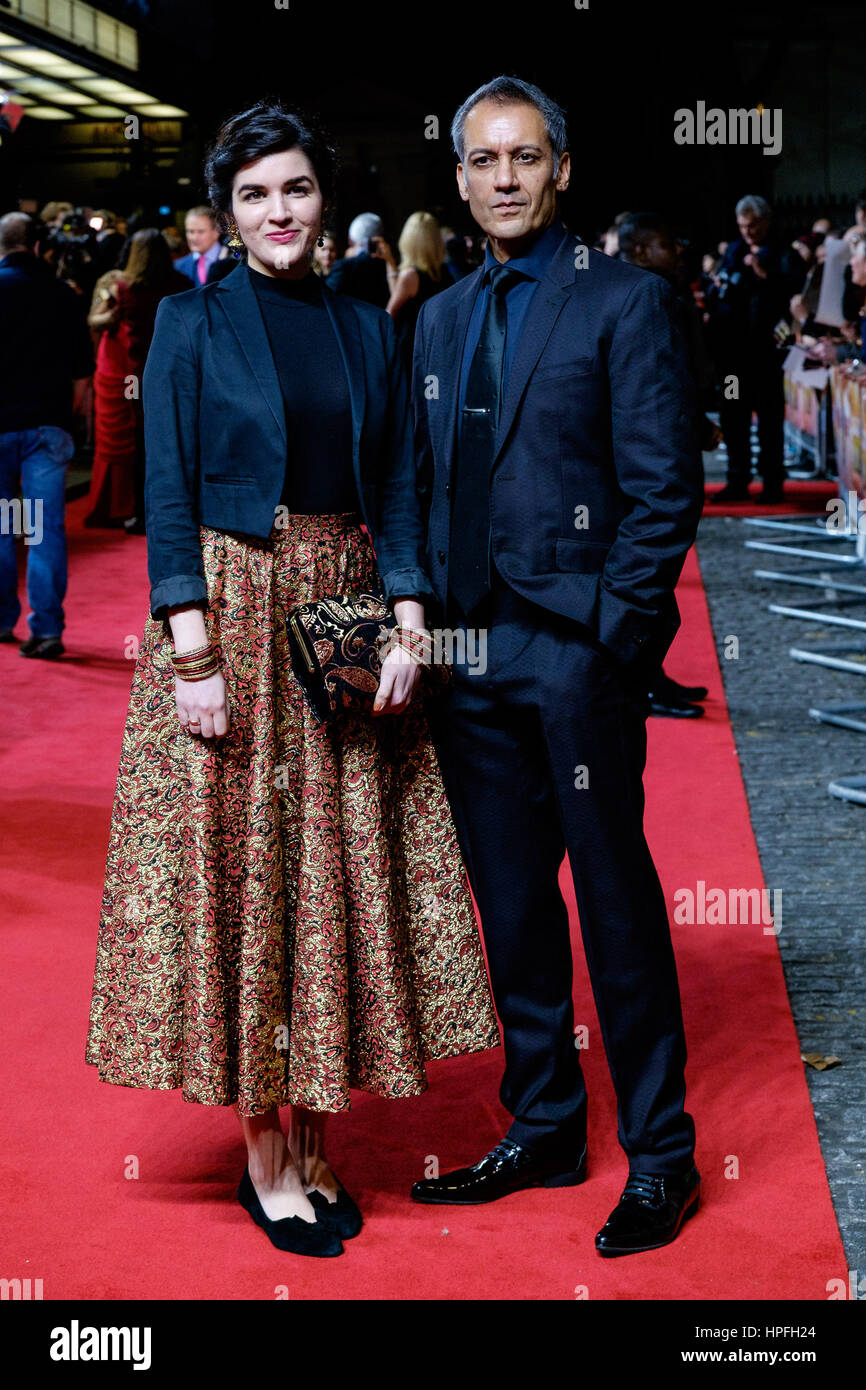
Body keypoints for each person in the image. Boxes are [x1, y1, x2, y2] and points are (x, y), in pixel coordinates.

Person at [84, 100, 499, 1260]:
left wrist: (410, 619)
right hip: (232, 604)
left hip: (342, 613)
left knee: (338, 878)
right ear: (228, 209)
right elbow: (165, 498)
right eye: (256, 194)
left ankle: (317, 1134)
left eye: (297, 189)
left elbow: (402, 491)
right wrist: (194, 655)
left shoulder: (366, 321)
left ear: (323, 200)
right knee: (248, 884)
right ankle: (264, 1153)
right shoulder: (186, 320)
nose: (280, 211)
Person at [409, 76, 704, 1258]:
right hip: (466, 649)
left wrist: (612, 640)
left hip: (572, 648)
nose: (503, 179)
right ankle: (543, 1122)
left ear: (561, 169)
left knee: (615, 904)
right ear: (462, 177)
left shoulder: (623, 300)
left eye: (523, 157)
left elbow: (661, 486)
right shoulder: (435, 316)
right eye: (482, 161)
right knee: (514, 904)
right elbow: (427, 484)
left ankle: (664, 1156)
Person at [615, 210, 712, 720]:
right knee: (647, 584)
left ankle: (656, 676)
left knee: (662, 588)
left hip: (675, 441)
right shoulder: (641, 295)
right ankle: (645, 681)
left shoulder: (663, 288)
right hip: (652, 458)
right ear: (637, 250)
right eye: (662, 244)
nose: (675, 251)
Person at [0, 213, 94, 657]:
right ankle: (47, 631)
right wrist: (65, 414)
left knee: (1, 527)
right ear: (38, 246)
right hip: (45, 429)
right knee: (41, 531)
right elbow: (82, 373)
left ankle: (1, 621)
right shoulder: (62, 295)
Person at [83, 228, 192, 531]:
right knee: (159, 437)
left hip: (121, 368)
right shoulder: (181, 284)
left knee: (121, 440)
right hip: (163, 367)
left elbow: (94, 319)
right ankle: (160, 508)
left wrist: (115, 312)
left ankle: (122, 507)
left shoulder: (117, 284)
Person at [705, 194, 805, 503]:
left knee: (769, 421)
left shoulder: (785, 254)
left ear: (766, 222)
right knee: (733, 418)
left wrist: (765, 275)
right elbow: (716, 289)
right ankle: (737, 480)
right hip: (733, 356)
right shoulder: (734, 251)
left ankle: (773, 483)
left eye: (753, 226)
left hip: (766, 355)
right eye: (743, 226)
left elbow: (797, 298)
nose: (748, 232)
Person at [382, 210, 450, 369]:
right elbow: (400, 293)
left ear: (408, 241)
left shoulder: (410, 275)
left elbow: (389, 314)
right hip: (435, 348)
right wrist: (390, 263)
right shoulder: (443, 273)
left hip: (411, 352)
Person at [324, 212, 390, 306]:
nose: (327, 254)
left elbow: (326, 297)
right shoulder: (386, 263)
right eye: (323, 249)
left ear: (350, 240)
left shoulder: (343, 266)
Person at [175, 205, 235, 285]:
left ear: (216, 232)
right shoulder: (179, 266)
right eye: (190, 231)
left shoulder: (234, 262)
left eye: (201, 231)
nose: (194, 238)